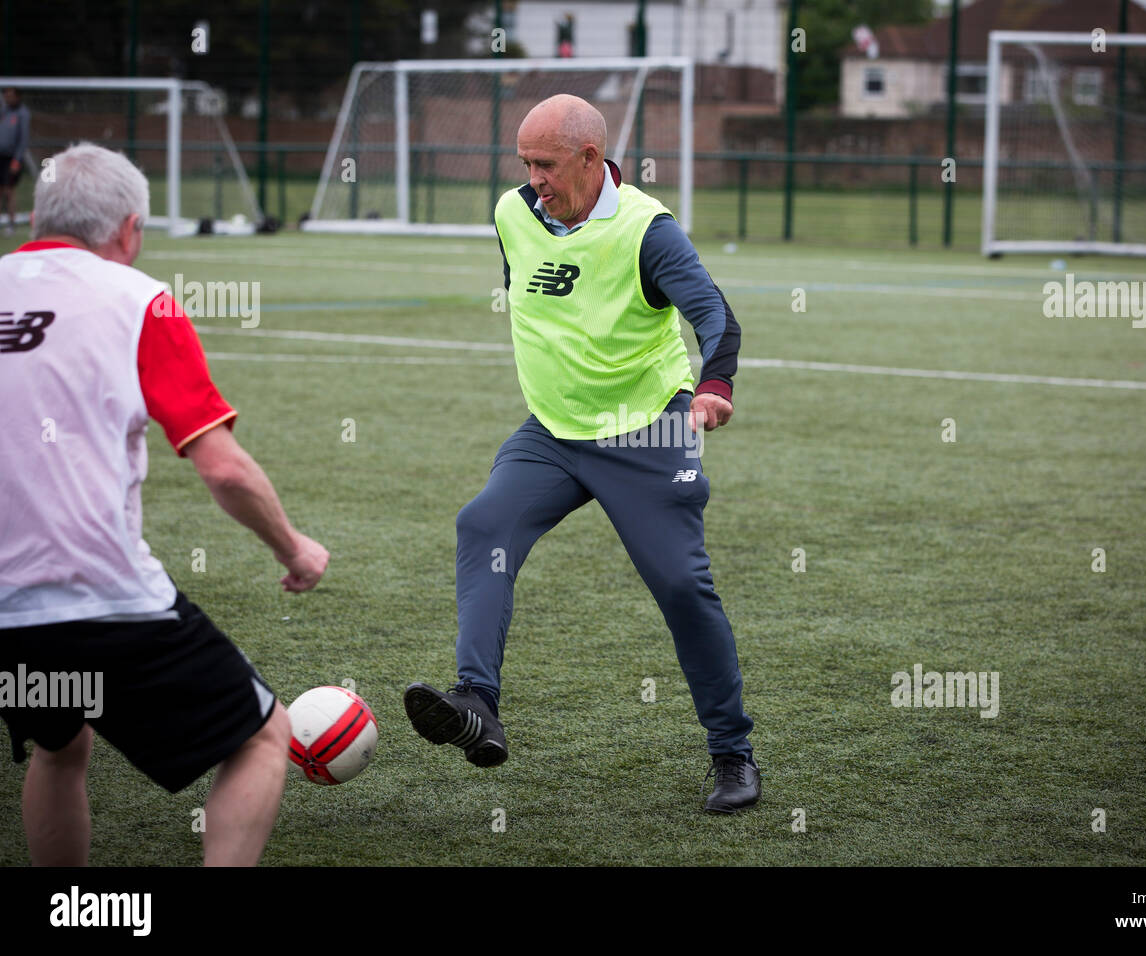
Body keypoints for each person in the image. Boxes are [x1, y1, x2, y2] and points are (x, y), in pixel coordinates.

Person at [405, 94, 759, 813]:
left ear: (592, 158)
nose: (534, 178)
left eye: (547, 164)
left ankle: (733, 753)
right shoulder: (511, 214)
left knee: (683, 586)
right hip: (552, 434)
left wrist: (713, 385)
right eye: (526, 163)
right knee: (483, 526)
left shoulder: (646, 231)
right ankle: (477, 701)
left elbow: (717, 316)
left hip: (647, 433)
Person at [0, 142, 329, 865]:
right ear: (129, 229)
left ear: (34, 215)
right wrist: (294, 549)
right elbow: (224, 470)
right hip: (97, 598)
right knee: (263, 736)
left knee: (60, 742)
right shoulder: (136, 300)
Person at [0, 87, 30, 235]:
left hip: (11, 158)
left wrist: (17, 160)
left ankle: (11, 224)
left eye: (10, 96)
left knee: (9, 191)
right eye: (5, 96)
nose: (7, 98)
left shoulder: (22, 114)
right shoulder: (4, 112)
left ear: (17, 97)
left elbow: (23, 139)